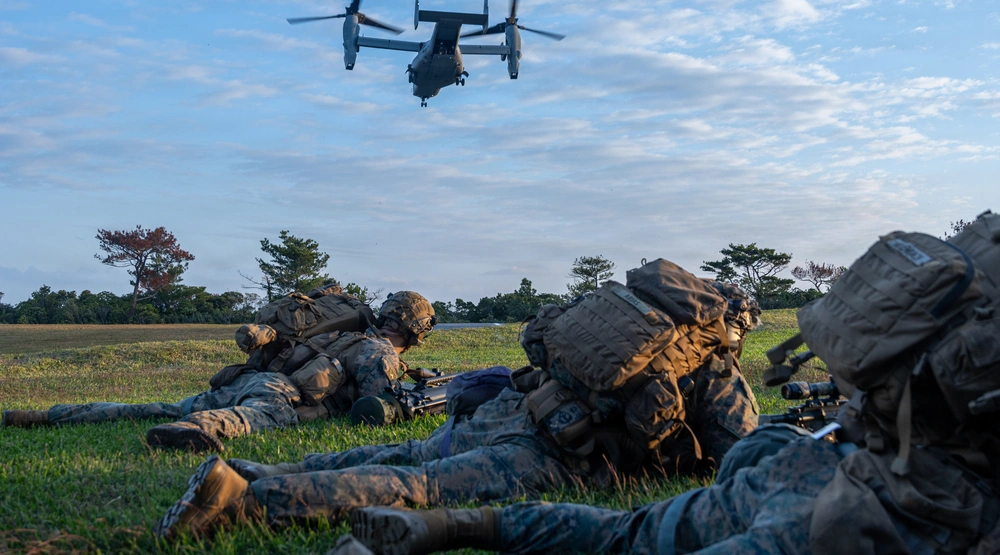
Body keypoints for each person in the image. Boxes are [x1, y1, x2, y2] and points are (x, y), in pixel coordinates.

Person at [341, 222, 1000, 555]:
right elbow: (733, 447)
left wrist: (782, 441)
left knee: (624, 534)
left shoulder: (659, 333)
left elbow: (744, 462)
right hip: (902, 507)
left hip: (538, 416)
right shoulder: (715, 369)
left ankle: (464, 525)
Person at [153, 265, 762, 541]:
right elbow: (743, 457)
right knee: (423, 487)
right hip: (560, 451)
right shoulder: (711, 364)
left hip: (515, 407)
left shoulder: (629, 320)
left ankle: (265, 469)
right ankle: (245, 500)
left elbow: (540, 338)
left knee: (409, 451)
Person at [2, 287, 436, 453]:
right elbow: (380, 402)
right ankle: (198, 427)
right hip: (276, 394)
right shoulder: (379, 351)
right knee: (254, 419)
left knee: (155, 405)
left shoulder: (343, 334)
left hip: (248, 377)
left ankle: (45, 415)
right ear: (416, 331)